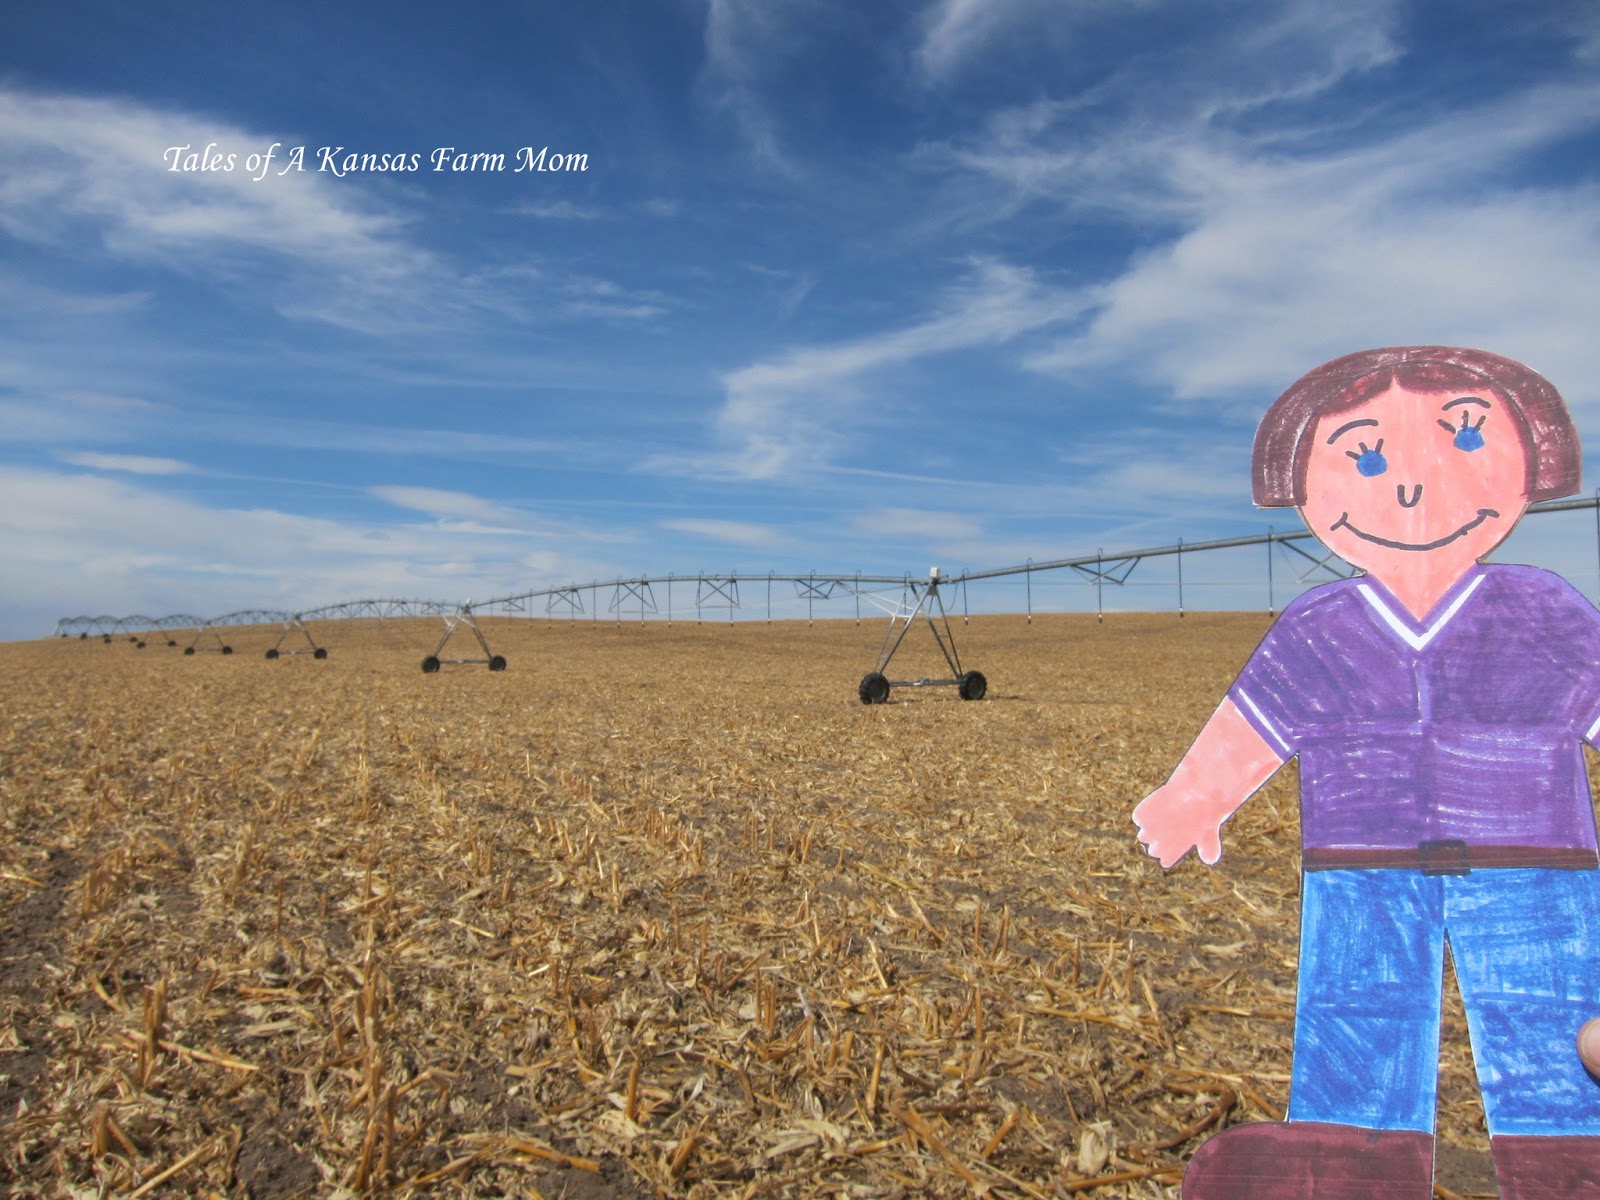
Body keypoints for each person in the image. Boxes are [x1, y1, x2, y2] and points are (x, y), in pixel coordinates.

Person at [1132, 346, 1600, 1198]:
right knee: (1358, 1022)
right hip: (1362, 869)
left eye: (1464, 443)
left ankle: (1568, 1160)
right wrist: (1195, 795)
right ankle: (1348, 1159)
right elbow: (1258, 717)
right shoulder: (1319, 626)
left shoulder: (1548, 611)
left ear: (1535, 461)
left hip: (1539, 872)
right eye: (1366, 456)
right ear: (1300, 485)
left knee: (1552, 1032)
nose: (1411, 486)